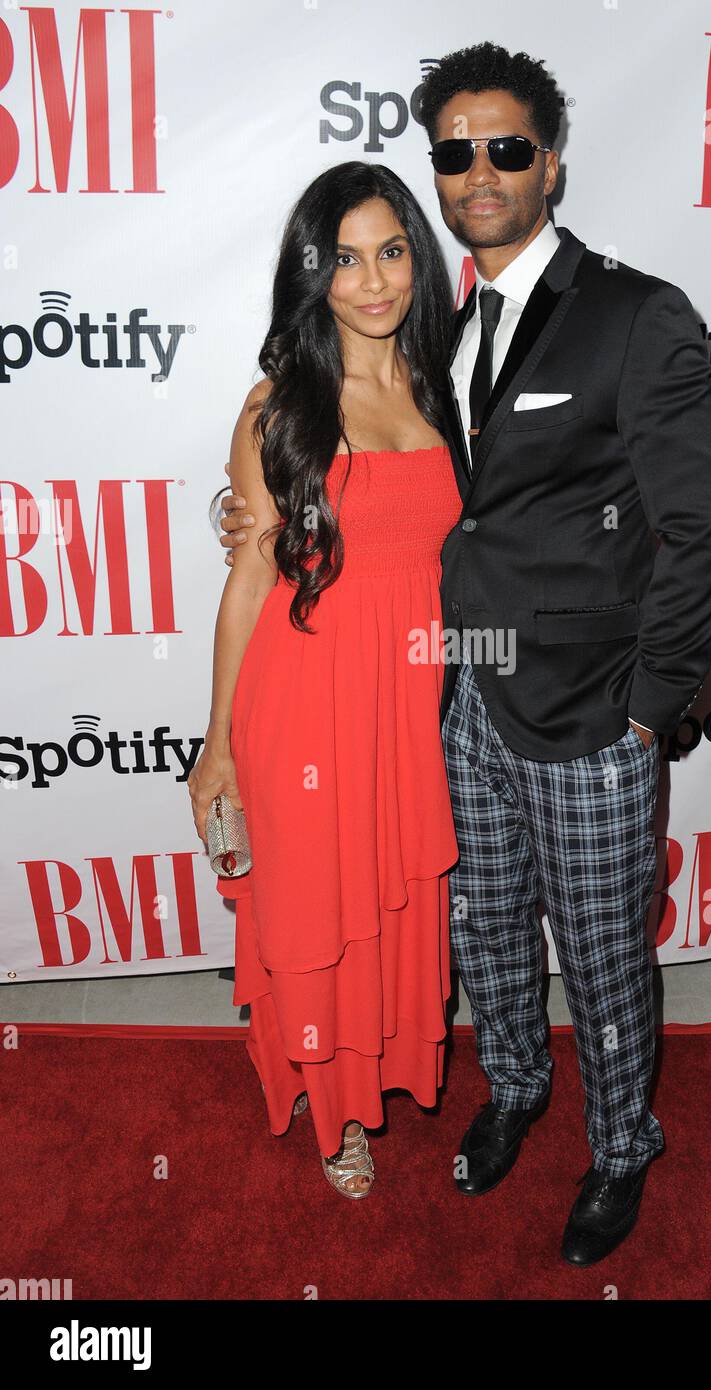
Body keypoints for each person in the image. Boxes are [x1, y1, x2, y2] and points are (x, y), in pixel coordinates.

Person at [221, 42, 711, 1263]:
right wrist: (251, 504)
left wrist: (650, 710)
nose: (481, 169)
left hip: (590, 712)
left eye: (507, 146)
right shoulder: (435, 331)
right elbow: (364, 485)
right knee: (491, 932)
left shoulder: (635, 313)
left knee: (605, 957)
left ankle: (623, 1150)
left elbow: (701, 521)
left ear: (550, 160)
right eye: (455, 150)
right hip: (450, 703)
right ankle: (513, 1088)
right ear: (437, 171)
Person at [189, 162, 461, 1198]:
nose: (374, 281)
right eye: (345, 259)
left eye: (392, 251)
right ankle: (337, 1116)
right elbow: (250, 577)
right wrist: (217, 744)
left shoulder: (442, 389)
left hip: (402, 714)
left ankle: (369, 1071)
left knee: (387, 910)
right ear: (314, 274)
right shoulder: (281, 405)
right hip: (299, 708)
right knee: (316, 913)